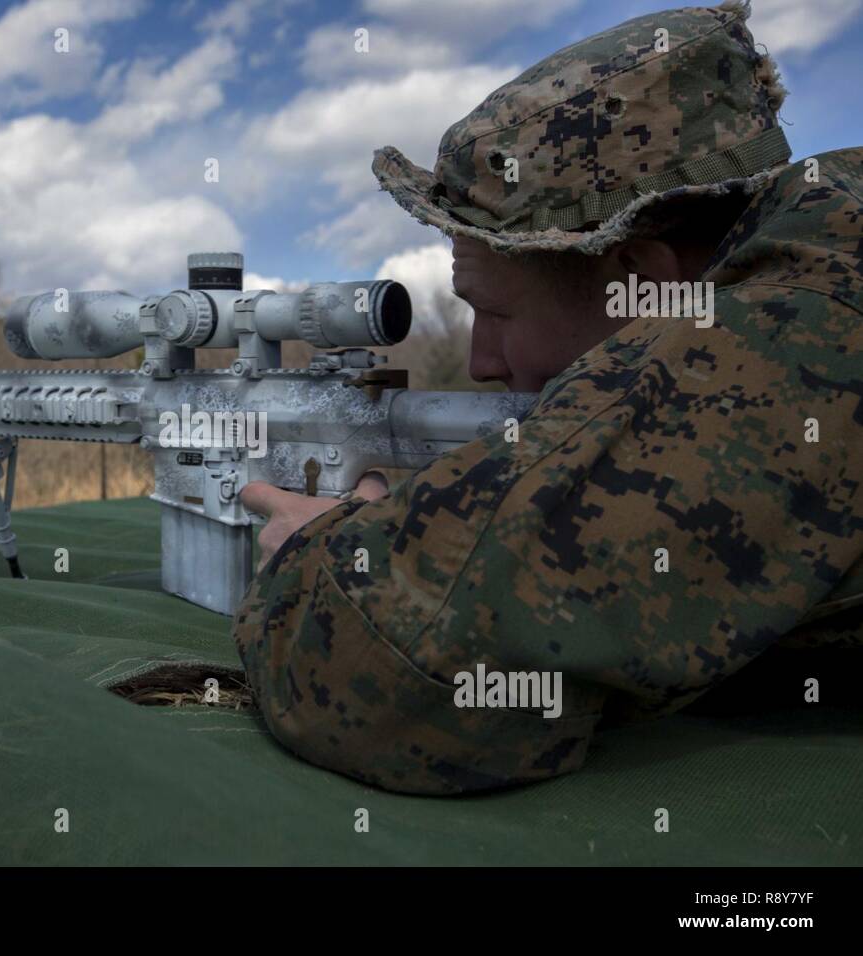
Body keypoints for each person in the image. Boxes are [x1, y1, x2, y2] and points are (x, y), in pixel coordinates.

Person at [232, 0, 863, 794]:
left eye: (496, 314)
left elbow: (392, 676)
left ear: (643, 281)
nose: (481, 361)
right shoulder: (822, 241)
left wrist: (310, 552)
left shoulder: (793, 332)